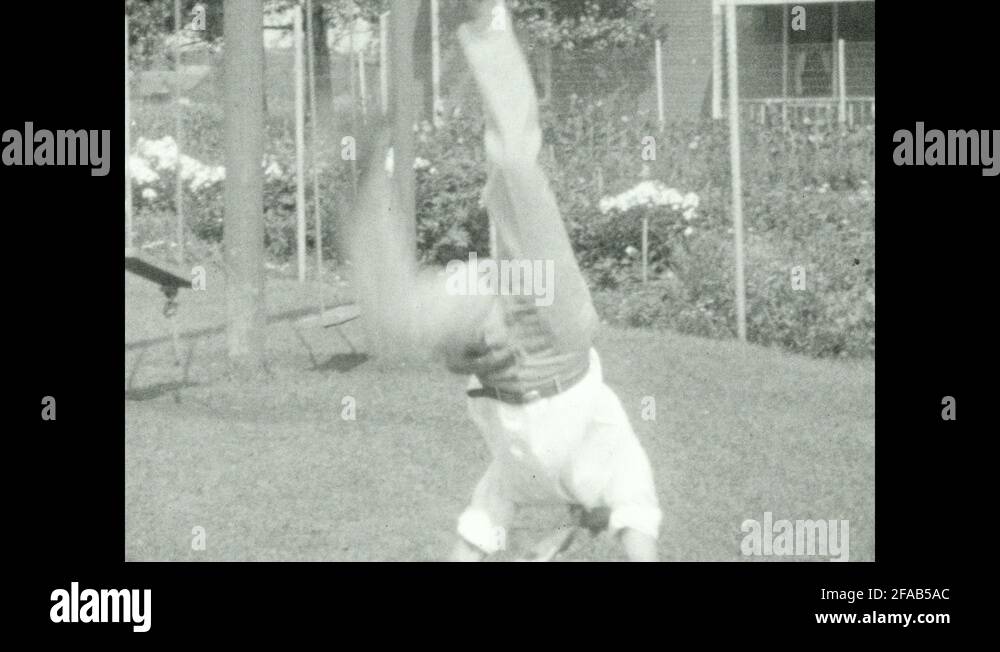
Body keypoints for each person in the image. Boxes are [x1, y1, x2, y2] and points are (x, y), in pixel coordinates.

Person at [343, 0, 661, 561]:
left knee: (395, 315)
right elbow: (640, 530)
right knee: (516, 171)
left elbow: (476, 533)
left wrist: (455, 354)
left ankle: (365, 178)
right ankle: (487, 20)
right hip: (556, 332)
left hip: (493, 336)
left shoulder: (514, 482)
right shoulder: (618, 461)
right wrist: (616, 528)